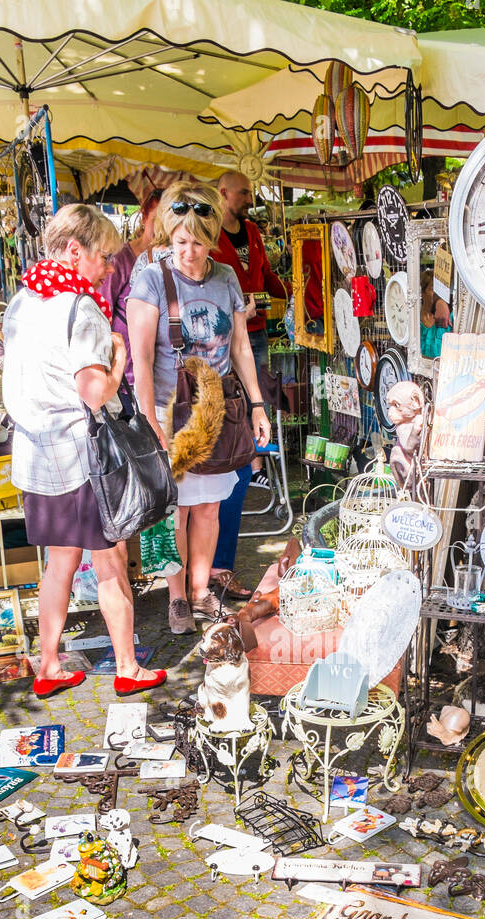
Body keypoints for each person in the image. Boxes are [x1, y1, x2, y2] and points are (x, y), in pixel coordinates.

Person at [2, 204, 167, 699]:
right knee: (110, 559)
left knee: (59, 561)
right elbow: (94, 391)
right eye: (104, 256)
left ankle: (48, 663)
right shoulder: (80, 307)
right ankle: (127, 667)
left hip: (34, 450)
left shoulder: (24, 299)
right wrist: (118, 358)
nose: (111, 266)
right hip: (81, 453)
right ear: (74, 251)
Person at [127, 182, 271, 634]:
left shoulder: (227, 276)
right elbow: (142, 359)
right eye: (180, 241)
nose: (189, 252)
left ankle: (200, 588)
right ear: (169, 236)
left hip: (218, 410)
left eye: (199, 241)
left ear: (212, 238)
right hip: (171, 411)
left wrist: (257, 405)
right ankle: (176, 598)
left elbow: (242, 347)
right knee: (176, 510)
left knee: (209, 507)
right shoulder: (151, 277)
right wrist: (150, 420)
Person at [210, 172, 288, 600]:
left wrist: (290, 293)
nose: (250, 199)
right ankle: (201, 576)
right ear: (223, 194)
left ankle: (254, 461)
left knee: (250, 403)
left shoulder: (253, 232)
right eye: (243, 193)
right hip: (219, 351)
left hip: (254, 330)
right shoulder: (210, 242)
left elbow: (267, 273)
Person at [101, 190, 161, 385]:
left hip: (162, 369)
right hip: (130, 373)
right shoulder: (121, 259)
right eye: (156, 220)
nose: (162, 229)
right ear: (144, 217)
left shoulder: (175, 260)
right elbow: (103, 311)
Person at [420, 268, 452, 359]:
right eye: (432, 289)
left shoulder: (448, 318)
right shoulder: (415, 321)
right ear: (422, 292)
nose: (437, 295)